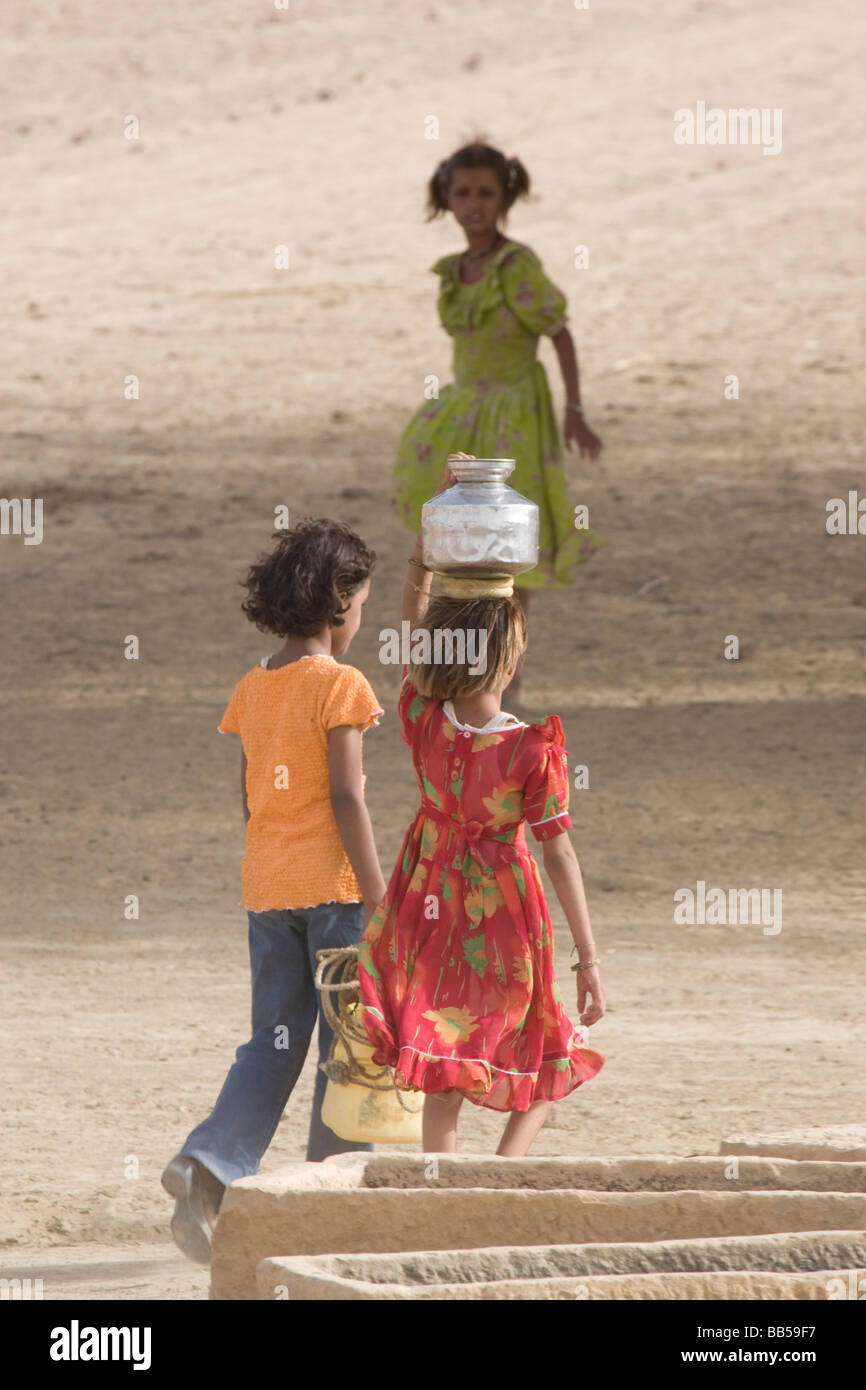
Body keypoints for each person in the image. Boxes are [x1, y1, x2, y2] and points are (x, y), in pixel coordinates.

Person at [357, 459, 606, 1156]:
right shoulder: (532, 750)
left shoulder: (422, 717)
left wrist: (424, 547)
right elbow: (558, 851)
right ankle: (503, 1173)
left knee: (442, 1040)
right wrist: (587, 959)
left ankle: (442, 1182)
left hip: (429, 893)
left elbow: (410, 627)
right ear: (511, 656)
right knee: (539, 1041)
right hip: (506, 907)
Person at [162, 518, 387, 1263]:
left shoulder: (253, 686)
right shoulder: (342, 684)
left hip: (267, 891)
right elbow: (348, 797)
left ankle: (212, 1164)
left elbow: (252, 798)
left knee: (274, 1040)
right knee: (347, 1049)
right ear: (339, 603)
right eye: (361, 607)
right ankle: (328, 1189)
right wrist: (380, 897)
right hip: (335, 893)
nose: (361, 622)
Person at [392, 140, 605, 699]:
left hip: (517, 417)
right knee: (458, 537)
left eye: (486, 192)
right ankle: (465, 669)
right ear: (447, 197)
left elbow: (559, 332)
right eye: (463, 193)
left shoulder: (517, 266)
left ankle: (505, 682)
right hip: (465, 410)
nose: (474, 204)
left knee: (509, 548)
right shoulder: (456, 271)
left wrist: (574, 411)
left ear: (505, 196)